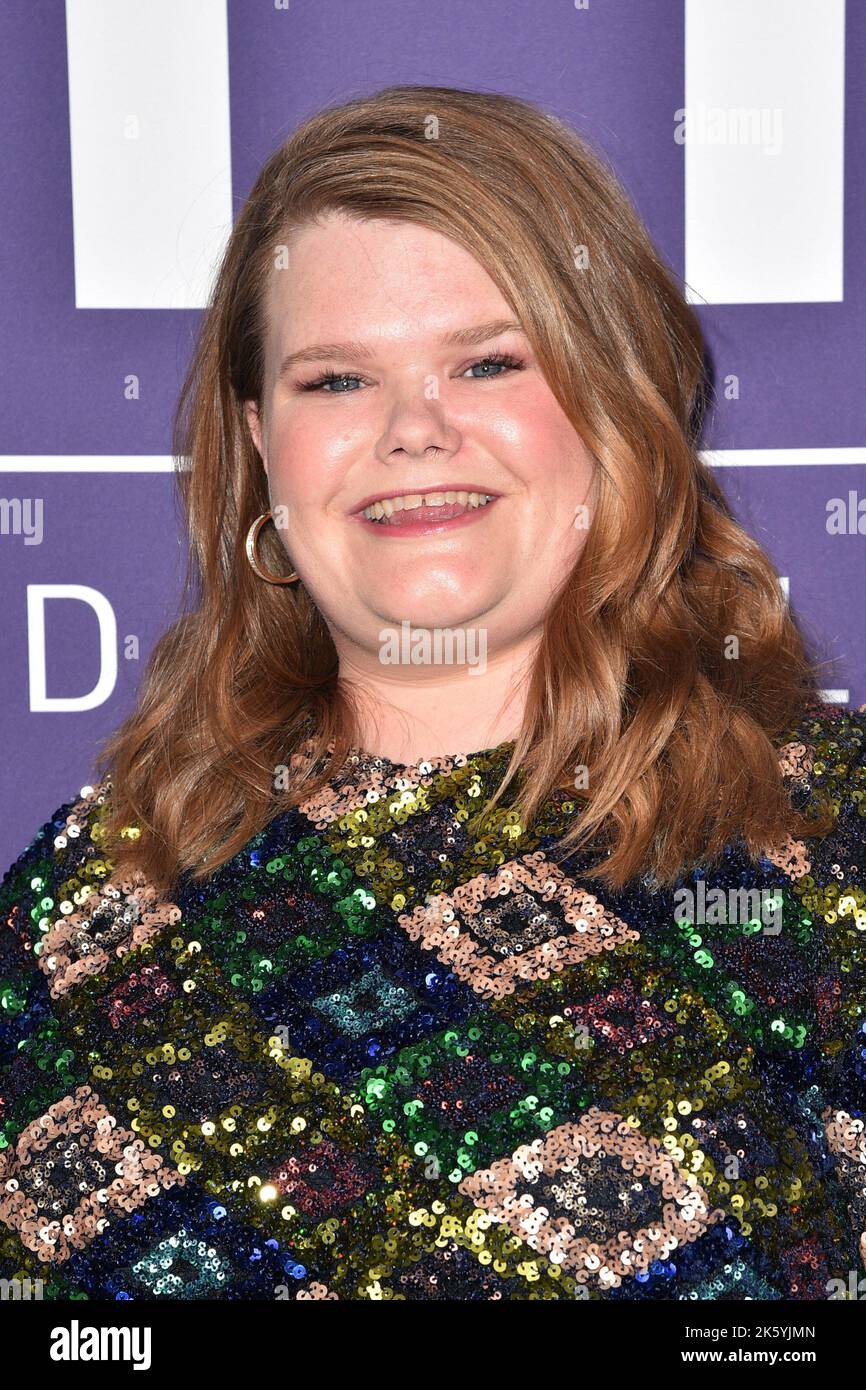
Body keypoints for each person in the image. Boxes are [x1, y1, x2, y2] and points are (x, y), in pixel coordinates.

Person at [1, 84, 864, 1303]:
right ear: (258, 440)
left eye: (487, 361)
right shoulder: (84, 912)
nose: (415, 428)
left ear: (615, 403)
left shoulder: (824, 852)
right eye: (337, 382)